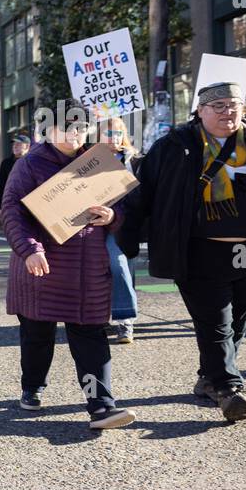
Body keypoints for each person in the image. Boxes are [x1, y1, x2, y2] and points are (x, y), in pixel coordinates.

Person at [120, 83, 246, 423]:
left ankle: (208, 379)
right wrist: (125, 234)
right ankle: (228, 389)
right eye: (219, 106)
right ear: (200, 111)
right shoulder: (175, 146)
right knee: (215, 322)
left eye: (234, 105)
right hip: (199, 252)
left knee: (239, 321)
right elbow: (143, 192)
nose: (228, 111)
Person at [1, 119, 136, 429]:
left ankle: (101, 406)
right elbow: (13, 211)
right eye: (66, 128)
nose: (74, 134)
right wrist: (30, 250)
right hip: (42, 268)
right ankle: (33, 386)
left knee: (90, 336)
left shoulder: (100, 163)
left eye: (80, 128)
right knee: (37, 335)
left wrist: (113, 216)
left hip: (89, 268)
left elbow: (128, 210)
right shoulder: (29, 165)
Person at [102, 117, 140, 344]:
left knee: (121, 267)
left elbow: (141, 194)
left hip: (123, 224)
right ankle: (101, 315)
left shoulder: (133, 159)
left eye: (117, 133)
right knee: (100, 271)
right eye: (108, 133)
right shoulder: (86, 159)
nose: (113, 138)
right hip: (91, 225)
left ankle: (125, 320)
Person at [0, 130, 31, 224]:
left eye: (18, 144)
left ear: (27, 146)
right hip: (12, 204)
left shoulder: (33, 162)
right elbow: (0, 186)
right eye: (14, 144)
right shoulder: (6, 163)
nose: (15, 146)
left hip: (31, 205)